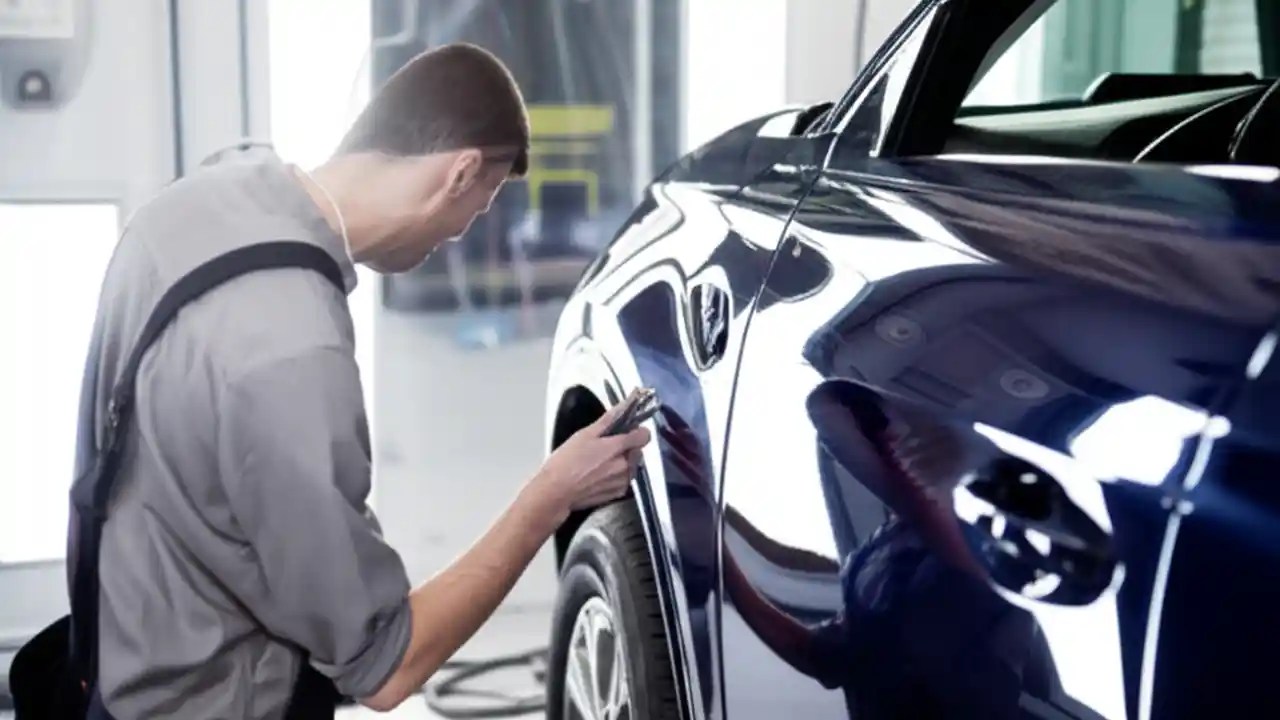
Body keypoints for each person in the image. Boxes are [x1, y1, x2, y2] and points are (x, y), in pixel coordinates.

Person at [73, 43, 650, 717]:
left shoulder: (191, 205)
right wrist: (550, 495)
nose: (463, 234)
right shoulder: (294, 349)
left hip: (115, 673)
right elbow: (385, 667)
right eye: (485, 203)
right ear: (461, 173)